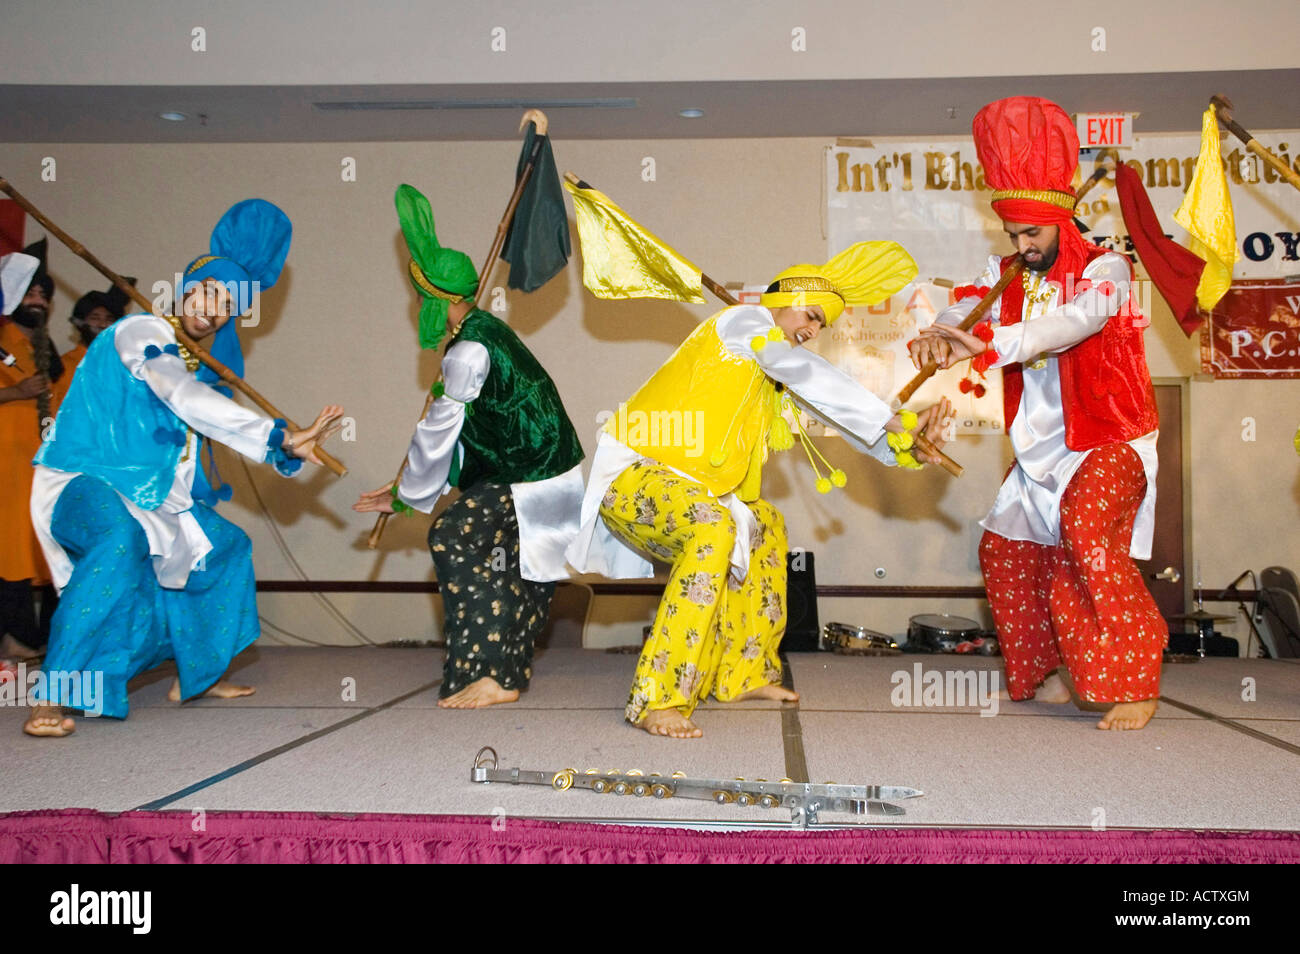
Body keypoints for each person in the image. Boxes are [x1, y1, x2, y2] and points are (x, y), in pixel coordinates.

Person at [567, 241, 953, 738]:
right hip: (636, 475)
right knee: (715, 525)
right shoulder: (743, 324)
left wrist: (907, 447)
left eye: (821, 326)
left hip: (698, 493)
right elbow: (807, 375)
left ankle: (741, 673)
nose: (812, 332)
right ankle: (657, 698)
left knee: (764, 524)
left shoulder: (775, 368)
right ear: (781, 299)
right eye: (811, 316)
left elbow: (837, 416)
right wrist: (895, 418)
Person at [23, 199, 344, 737]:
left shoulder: (192, 362)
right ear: (185, 288)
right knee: (118, 543)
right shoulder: (141, 333)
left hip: (149, 495)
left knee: (227, 546)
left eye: (227, 305)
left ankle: (199, 670)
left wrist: (283, 449)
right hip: (84, 480)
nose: (213, 309)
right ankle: (53, 691)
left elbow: (201, 415)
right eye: (208, 292)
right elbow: (182, 394)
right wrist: (276, 434)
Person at [911, 95, 1164, 731]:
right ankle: (1055, 672)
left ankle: (1136, 681)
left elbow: (1072, 323)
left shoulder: (1106, 268)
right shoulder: (1002, 274)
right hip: (1040, 449)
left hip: (1109, 436)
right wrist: (939, 334)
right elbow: (961, 306)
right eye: (1015, 236)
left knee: (1086, 530)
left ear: (1061, 223)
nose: (1024, 247)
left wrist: (994, 342)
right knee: (1005, 549)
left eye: (1034, 235)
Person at [354, 185, 584, 709]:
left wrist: (409, 494)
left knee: (454, 538)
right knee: (525, 568)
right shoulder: (484, 333)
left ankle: (491, 673)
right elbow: (471, 434)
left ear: (434, 297)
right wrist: (405, 487)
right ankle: (500, 676)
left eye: (418, 295)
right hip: (548, 469)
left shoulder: (469, 350)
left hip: (532, 473)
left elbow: (439, 429)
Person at [0, 243, 65, 659]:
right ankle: (13, 638)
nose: (38, 301)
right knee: (9, 549)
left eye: (43, 295)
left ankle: (27, 638)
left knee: (35, 547)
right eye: (30, 293)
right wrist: (13, 392)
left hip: (41, 467)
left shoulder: (47, 351)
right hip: (6, 466)